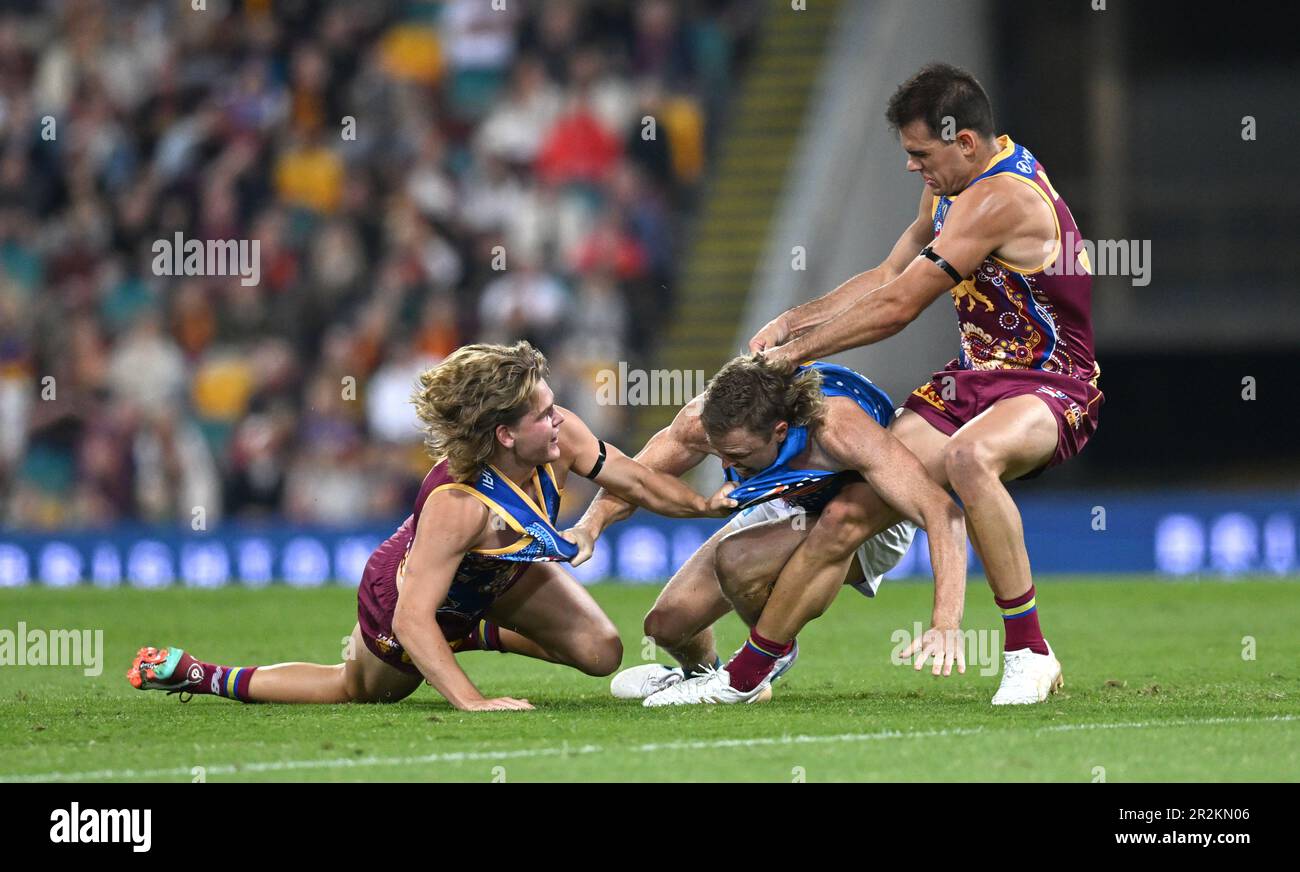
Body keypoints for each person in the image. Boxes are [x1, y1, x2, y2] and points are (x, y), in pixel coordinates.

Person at [749, 63, 1102, 704]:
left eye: (920, 153)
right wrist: (795, 319)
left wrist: (792, 356)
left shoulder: (1000, 199)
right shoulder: (951, 182)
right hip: (974, 380)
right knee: (855, 504)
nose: (913, 166)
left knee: (971, 458)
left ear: (964, 142)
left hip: (1052, 384)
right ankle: (748, 672)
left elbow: (899, 308)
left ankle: (1029, 650)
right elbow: (890, 273)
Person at [127, 341, 736, 711]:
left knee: (603, 653)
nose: (560, 421)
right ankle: (200, 674)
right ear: (504, 435)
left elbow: (636, 482)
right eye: (544, 414)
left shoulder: (560, 437)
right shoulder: (457, 504)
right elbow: (411, 618)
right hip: (408, 597)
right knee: (359, 691)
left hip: (496, 582)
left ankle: (471, 634)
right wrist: (473, 702)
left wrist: (707, 505)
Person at [571, 353, 968, 706]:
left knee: (742, 557)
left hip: (862, 518)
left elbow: (941, 512)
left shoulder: (838, 429)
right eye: (718, 449)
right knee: (666, 626)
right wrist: (590, 526)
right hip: (790, 503)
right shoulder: (702, 422)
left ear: (780, 431)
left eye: (738, 456)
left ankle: (763, 659)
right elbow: (635, 480)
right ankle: (702, 677)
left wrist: (946, 623)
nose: (725, 463)